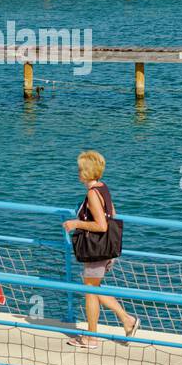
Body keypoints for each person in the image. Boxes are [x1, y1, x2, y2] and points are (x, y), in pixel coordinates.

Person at [62, 150, 139, 349]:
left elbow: (102, 225)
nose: (78, 172)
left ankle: (91, 337)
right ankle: (126, 320)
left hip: (96, 250)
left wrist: (76, 223)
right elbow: (112, 213)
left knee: (90, 292)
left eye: (80, 169)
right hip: (104, 249)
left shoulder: (92, 193)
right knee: (92, 288)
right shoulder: (103, 187)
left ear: (86, 172)